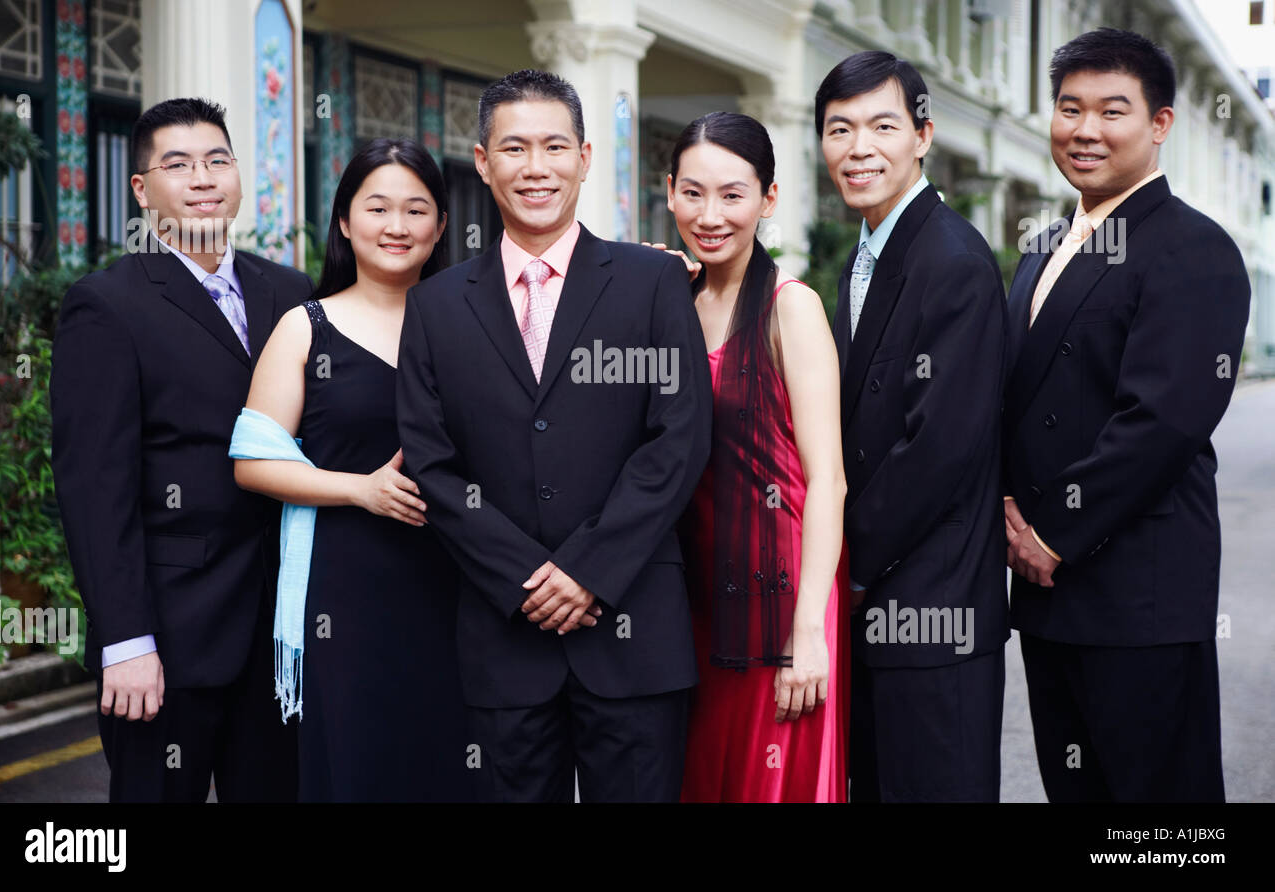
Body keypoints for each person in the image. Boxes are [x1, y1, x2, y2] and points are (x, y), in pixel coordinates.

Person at [395, 69, 712, 802]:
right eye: (514, 148)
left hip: (634, 631)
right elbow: (433, 464)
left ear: (585, 156)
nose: (535, 168)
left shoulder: (652, 281)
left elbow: (679, 438)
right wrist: (526, 580)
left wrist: (590, 572)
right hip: (503, 638)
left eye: (553, 147)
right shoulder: (436, 306)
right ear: (482, 161)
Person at [1004, 28, 1249, 802]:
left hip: (1136, 591)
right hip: (1049, 595)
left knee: (1157, 818)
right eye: (1070, 108)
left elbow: (1164, 421)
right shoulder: (1043, 248)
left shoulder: (1192, 248)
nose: (1086, 130)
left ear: (1160, 124)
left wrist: (1055, 535)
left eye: (1113, 110)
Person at [50, 97, 309, 802]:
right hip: (170, 633)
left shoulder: (289, 293)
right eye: (178, 164)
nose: (202, 179)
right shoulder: (107, 304)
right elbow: (93, 488)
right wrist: (126, 642)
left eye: (218, 160)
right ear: (142, 189)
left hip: (281, 629)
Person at [231, 138, 475, 802]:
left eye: (416, 210)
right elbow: (253, 460)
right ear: (344, 221)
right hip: (347, 595)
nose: (397, 226)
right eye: (378, 208)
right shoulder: (305, 328)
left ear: (441, 226)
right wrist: (359, 490)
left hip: (463, 586)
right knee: (357, 768)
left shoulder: (473, 326)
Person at [816, 51, 1010, 801]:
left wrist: (846, 564)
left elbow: (938, 447)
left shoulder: (953, 259)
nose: (858, 147)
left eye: (882, 126)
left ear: (923, 136)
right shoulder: (864, 258)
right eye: (839, 129)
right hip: (879, 605)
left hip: (933, 609)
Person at [660, 112, 847, 802]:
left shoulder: (789, 307)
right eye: (694, 192)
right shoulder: (670, 298)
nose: (711, 215)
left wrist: (808, 631)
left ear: (768, 200)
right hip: (696, 592)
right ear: (670, 191)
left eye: (733, 195)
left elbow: (827, 479)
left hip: (782, 591)